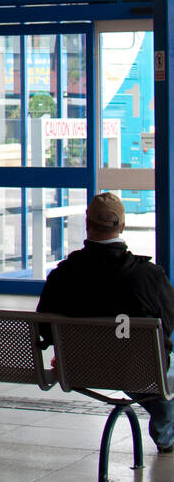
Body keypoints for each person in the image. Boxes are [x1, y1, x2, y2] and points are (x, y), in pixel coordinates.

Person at [37, 192, 174, 453]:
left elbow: (44, 328)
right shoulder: (148, 276)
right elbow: (167, 326)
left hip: (79, 368)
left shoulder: (62, 276)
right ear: (121, 226)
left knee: (138, 365)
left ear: (87, 225)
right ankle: (166, 432)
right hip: (139, 370)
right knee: (158, 366)